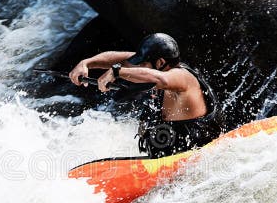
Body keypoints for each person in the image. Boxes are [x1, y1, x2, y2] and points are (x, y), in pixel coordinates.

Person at [68, 33, 224, 158]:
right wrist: (87, 63)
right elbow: (121, 59)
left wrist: (117, 72)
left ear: (160, 62)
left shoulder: (182, 77)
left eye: (143, 64)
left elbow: (159, 78)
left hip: (198, 159)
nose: (137, 67)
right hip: (164, 159)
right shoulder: (156, 65)